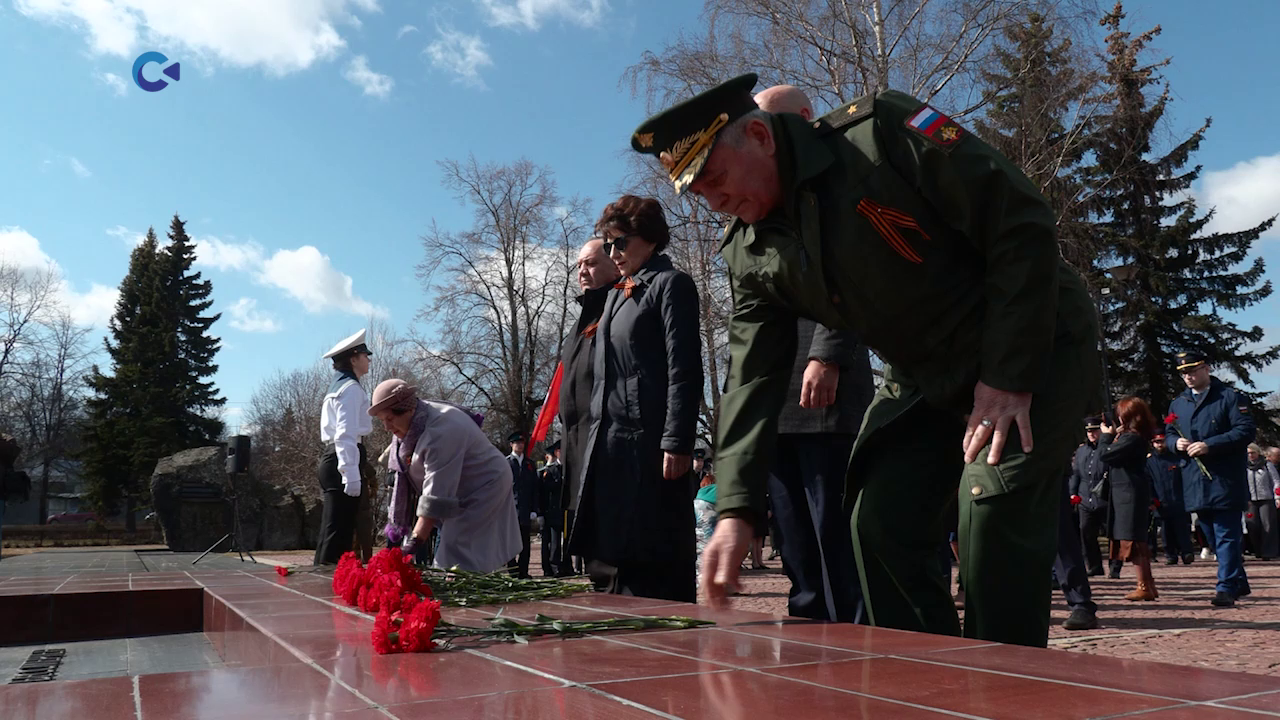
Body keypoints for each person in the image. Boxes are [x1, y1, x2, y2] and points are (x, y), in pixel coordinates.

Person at [630, 73, 1100, 647]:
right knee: (879, 521)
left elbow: (1019, 221)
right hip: (925, 372)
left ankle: (1005, 690)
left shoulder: (877, 135)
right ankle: (932, 682)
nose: (715, 202)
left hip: (1032, 338)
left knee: (993, 507)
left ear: (760, 134)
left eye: (717, 179)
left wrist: (1006, 376)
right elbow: (751, 379)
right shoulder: (750, 253)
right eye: (699, 195)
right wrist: (734, 510)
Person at [568, 195, 704, 602]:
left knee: (655, 555)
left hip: (652, 449)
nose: (614, 253)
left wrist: (677, 441)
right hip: (610, 450)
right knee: (617, 556)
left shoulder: (671, 285)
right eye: (608, 245)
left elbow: (684, 370)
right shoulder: (615, 297)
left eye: (620, 243)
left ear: (648, 239)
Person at [369, 379, 521, 572]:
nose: (386, 427)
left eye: (389, 419)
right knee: (458, 548)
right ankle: (472, 580)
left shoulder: (440, 430)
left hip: (486, 483)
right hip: (460, 487)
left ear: (406, 410)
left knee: (456, 551)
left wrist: (409, 549)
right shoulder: (411, 427)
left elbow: (435, 500)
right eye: (382, 420)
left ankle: (464, 588)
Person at [1165, 351, 1256, 607]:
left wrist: (1209, 445)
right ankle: (1239, 581)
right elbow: (1168, 433)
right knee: (1210, 535)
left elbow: (1245, 430)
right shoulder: (1178, 403)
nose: (1188, 376)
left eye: (1193, 370)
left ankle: (1225, 587)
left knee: (1226, 534)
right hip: (1194, 479)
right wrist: (1175, 443)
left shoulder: (1230, 397)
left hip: (1225, 477)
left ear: (1207, 368)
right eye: (1183, 373)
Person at [560, 237, 622, 577]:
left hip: (604, 453)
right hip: (576, 452)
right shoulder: (582, 318)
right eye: (579, 265)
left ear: (615, 262)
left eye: (592, 263)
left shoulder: (618, 307)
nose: (583, 270)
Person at [315, 329, 375, 566]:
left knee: (333, 529)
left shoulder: (340, 386)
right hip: (342, 458)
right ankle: (326, 585)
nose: (368, 359)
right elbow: (345, 433)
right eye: (365, 355)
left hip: (336, 458)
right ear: (353, 359)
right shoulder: (350, 389)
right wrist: (349, 472)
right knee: (338, 532)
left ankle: (322, 580)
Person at [1099, 398, 1159, 601]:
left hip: (1129, 493)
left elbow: (1105, 455)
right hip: (1127, 492)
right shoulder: (1132, 437)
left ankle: (1144, 585)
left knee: (1133, 539)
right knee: (1134, 538)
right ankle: (1147, 584)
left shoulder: (1131, 439)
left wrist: (1106, 438)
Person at [1069, 417, 1109, 576]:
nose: (1092, 434)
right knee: (1086, 531)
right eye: (1089, 431)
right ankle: (1094, 565)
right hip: (1086, 496)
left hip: (1105, 496)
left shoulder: (1107, 447)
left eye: (1094, 430)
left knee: (1111, 533)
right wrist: (1073, 493)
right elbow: (1076, 473)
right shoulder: (1081, 451)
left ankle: (1115, 566)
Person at [1147, 432, 1194, 565]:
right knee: (1166, 531)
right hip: (1161, 502)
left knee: (1182, 529)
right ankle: (1170, 555)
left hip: (1179, 499)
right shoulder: (1150, 462)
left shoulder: (1176, 458)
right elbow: (1148, 482)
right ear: (1153, 444)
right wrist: (1152, 500)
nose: (1160, 444)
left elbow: (1185, 479)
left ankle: (1186, 552)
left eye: (1162, 441)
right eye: (1157, 442)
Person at [507, 431, 538, 579]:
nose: (520, 445)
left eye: (522, 443)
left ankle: (523, 571)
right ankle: (513, 570)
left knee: (525, 543)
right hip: (510, 509)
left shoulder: (529, 464)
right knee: (511, 541)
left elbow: (534, 489)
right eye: (517, 443)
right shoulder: (506, 463)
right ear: (511, 445)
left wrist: (534, 509)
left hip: (525, 509)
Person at [1244, 443, 1280, 560]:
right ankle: (1257, 549)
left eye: (1253, 453)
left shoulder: (1267, 465)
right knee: (1252, 524)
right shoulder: (1244, 466)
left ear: (1258, 452)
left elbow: (1276, 481)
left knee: (1267, 525)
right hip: (1250, 500)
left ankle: (1268, 552)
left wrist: (1277, 497)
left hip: (1266, 499)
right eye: (1248, 453)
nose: (1251, 455)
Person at [538, 440, 568, 577]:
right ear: (556, 453)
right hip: (554, 510)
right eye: (560, 451)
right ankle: (554, 567)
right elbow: (547, 489)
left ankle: (567, 566)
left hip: (566, 509)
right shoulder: (551, 470)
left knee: (566, 539)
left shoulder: (568, 468)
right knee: (554, 541)